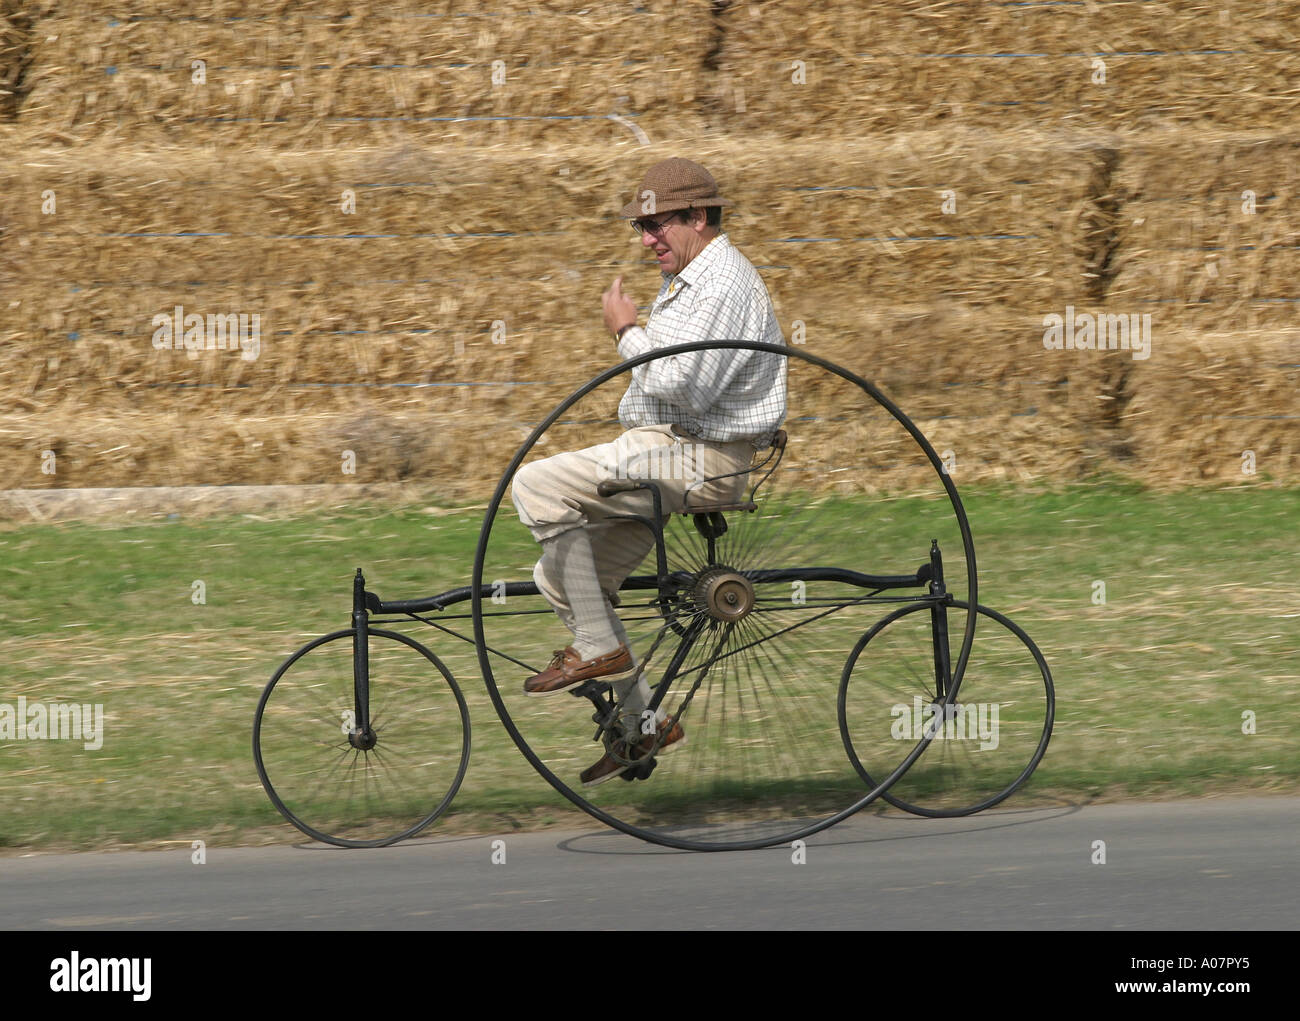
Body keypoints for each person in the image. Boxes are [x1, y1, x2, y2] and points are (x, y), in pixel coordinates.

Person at [510, 157, 787, 786]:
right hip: (665, 451)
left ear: (697, 216)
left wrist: (626, 332)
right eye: (641, 227)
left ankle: (597, 649)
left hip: (697, 458)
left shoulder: (720, 282)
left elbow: (683, 388)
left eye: (657, 224)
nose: (646, 239)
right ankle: (644, 725)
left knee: (533, 483)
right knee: (559, 577)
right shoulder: (694, 278)